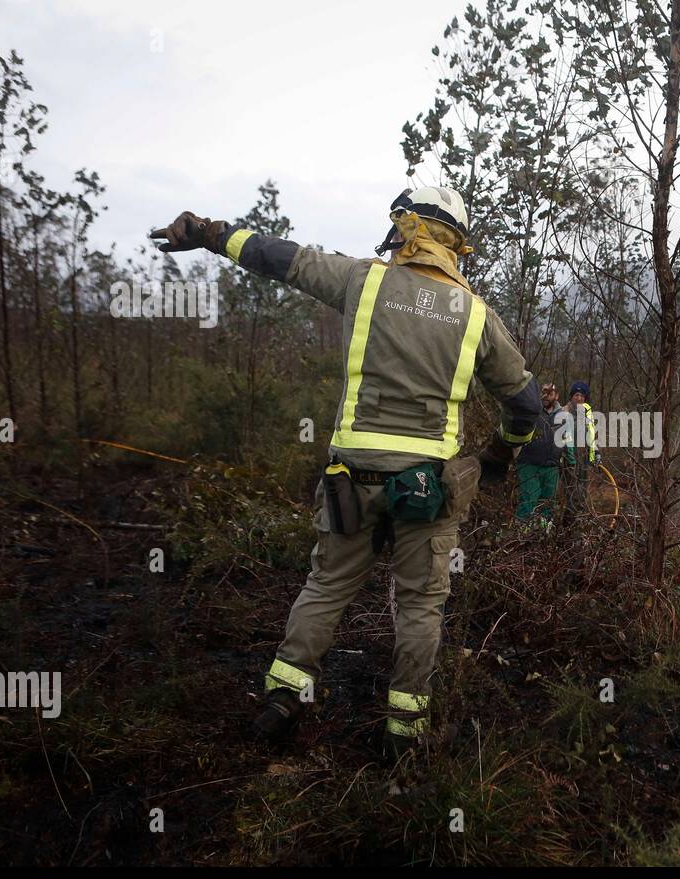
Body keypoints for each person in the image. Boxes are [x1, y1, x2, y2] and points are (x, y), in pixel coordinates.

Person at [150, 185, 541, 758]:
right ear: (455, 241)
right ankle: (404, 731)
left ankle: (284, 697)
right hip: (426, 490)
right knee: (419, 606)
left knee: (327, 585)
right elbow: (526, 405)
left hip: (349, 478)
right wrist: (500, 456)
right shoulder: (477, 316)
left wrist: (208, 233)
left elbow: (281, 259)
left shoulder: (365, 281)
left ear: (408, 229)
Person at [515, 382, 563, 529]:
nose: (546, 395)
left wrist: (570, 461)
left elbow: (567, 439)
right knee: (528, 500)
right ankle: (521, 535)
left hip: (551, 466)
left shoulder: (562, 415)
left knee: (548, 503)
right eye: (544, 391)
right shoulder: (532, 410)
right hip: (529, 463)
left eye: (550, 392)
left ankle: (543, 538)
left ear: (556, 395)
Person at [561, 380, 598, 516]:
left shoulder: (587, 412)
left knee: (582, 488)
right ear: (571, 396)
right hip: (568, 458)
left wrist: (595, 453)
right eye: (576, 395)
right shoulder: (564, 411)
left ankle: (580, 517)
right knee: (569, 488)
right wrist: (567, 458)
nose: (579, 398)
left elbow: (591, 434)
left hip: (583, 457)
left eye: (582, 396)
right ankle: (567, 518)